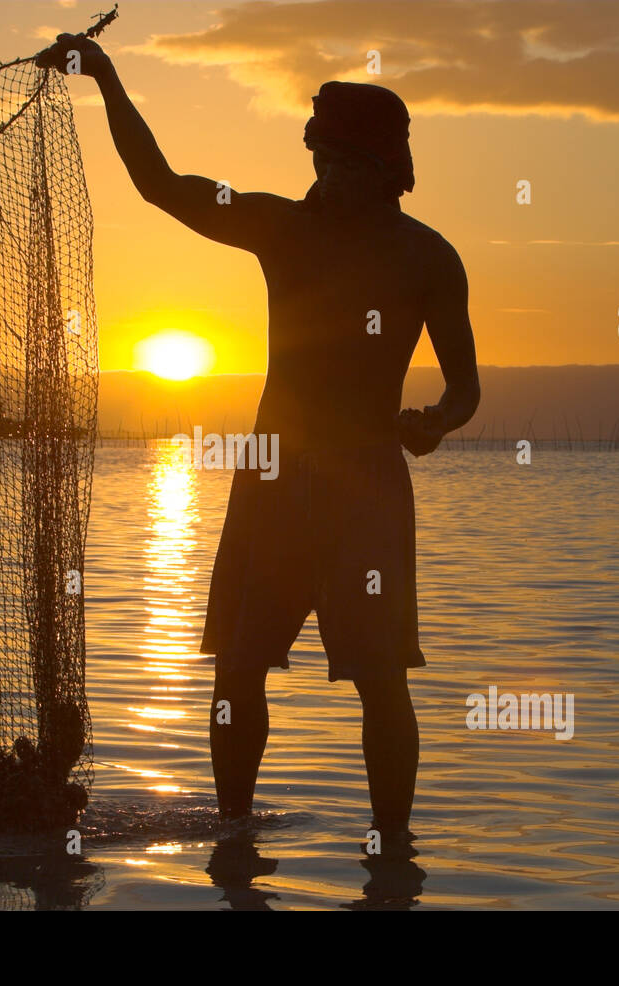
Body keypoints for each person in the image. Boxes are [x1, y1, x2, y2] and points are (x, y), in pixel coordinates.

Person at [36, 36, 480, 836]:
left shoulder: (428, 259)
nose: (327, 176)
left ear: (388, 168)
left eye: (345, 162)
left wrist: (435, 423)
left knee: (381, 677)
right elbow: (163, 187)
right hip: (272, 479)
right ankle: (235, 841)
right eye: (320, 158)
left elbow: (467, 388)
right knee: (238, 667)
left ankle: (393, 854)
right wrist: (104, 76)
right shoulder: (283, 229)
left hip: (368, 490)